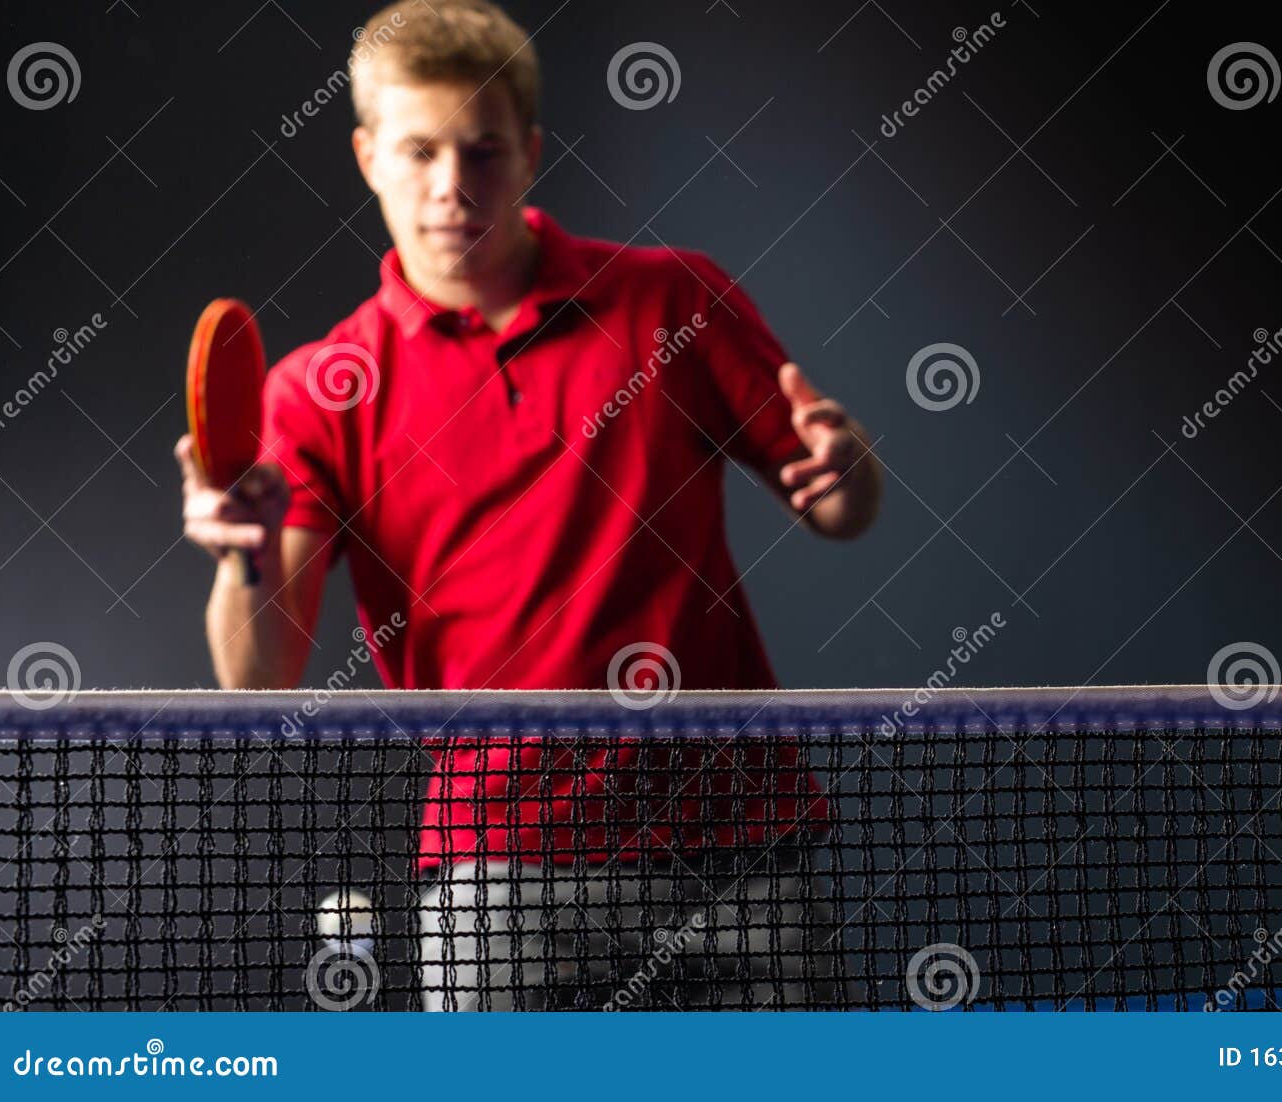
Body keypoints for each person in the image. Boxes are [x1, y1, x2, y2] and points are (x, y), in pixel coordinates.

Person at [175, 0, 881, 1009]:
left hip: (738, 843)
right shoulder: (318, 390)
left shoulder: (675, 302)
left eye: (483, 149)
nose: (451, 186)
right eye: (418, 151)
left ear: (532, 151)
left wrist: (848, 472)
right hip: (502, 869)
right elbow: (258, 677)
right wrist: (239, 556)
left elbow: (839, 509)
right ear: (368, 155)